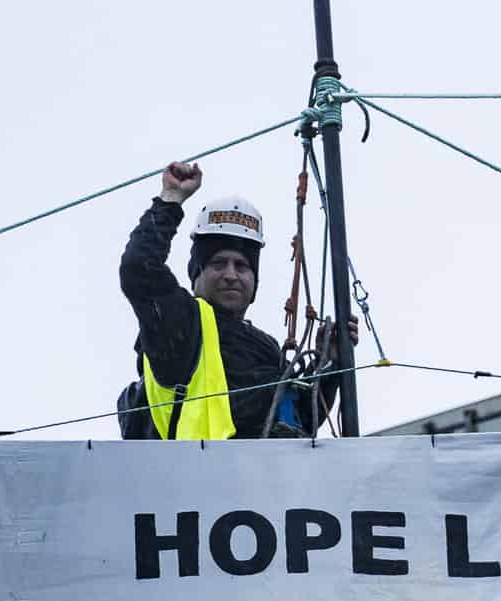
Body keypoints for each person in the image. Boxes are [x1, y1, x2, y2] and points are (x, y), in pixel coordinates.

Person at [118, 160, 354, 439]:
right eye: (218, 263)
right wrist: (171, 199)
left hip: (262, 476)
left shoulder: (265, 347)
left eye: (242, 266)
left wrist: (328, 365)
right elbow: (138, 268)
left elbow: (298, 419)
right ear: (197, 275)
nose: (231, 275)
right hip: (196, 472)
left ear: (254, 280)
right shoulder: (180, 324)